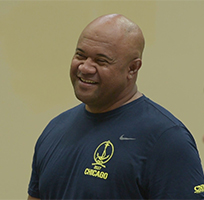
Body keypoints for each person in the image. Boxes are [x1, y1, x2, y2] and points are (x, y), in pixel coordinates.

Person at [28, 14, 204, 199]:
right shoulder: (56, 128)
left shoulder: (166, 139)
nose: (85, 68)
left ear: (132, 68)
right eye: (81, 55)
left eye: (101, 61)